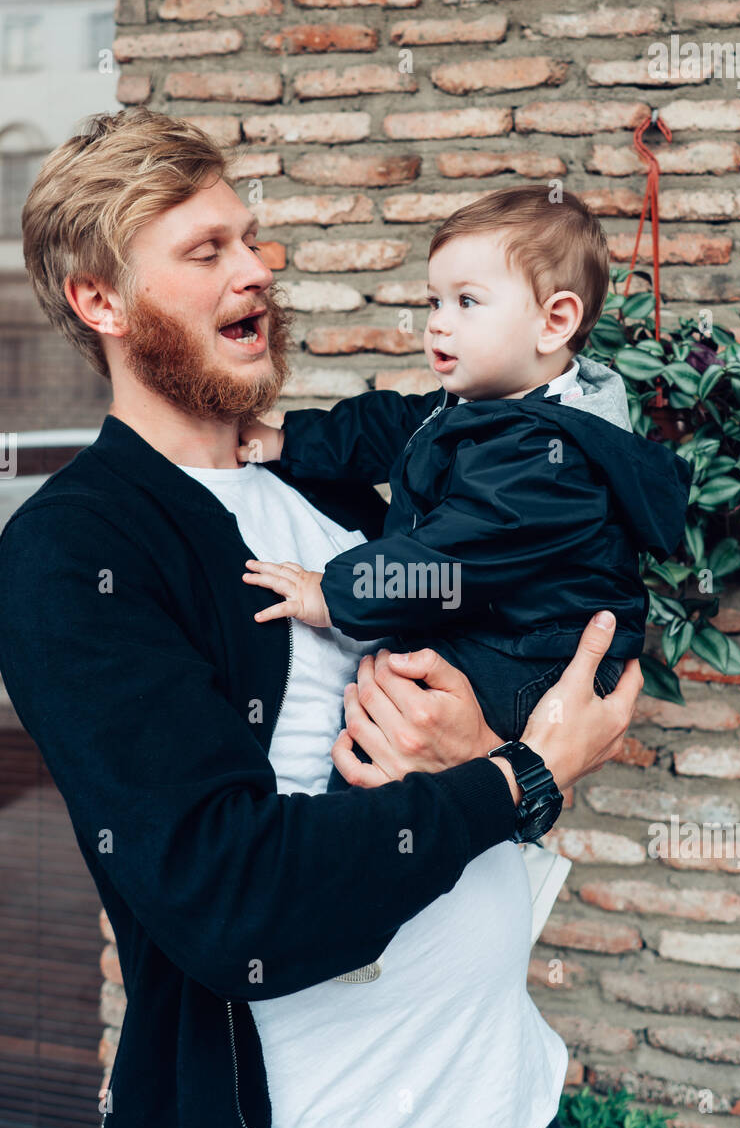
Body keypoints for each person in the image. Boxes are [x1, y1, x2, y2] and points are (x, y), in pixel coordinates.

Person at [0, 106, 643, 1128]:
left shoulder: (335, 496)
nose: (257, 269)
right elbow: (234, 894)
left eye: (250, 237)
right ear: (100, 303)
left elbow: (481, 709)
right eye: (205, 253)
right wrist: (523, 779)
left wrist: (495, 757)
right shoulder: (78, 551)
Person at [238, 185, 692, 746]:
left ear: (554, 322)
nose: (437, 323)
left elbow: (452, 555)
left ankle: (385, 819)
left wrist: (331, 594)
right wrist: (287, 439)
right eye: (434, 302)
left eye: (467, 302)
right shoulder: (482, 405)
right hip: (505, 633)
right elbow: (391, 426)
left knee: (395, 719)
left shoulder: (547, 459)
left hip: (540, 662)